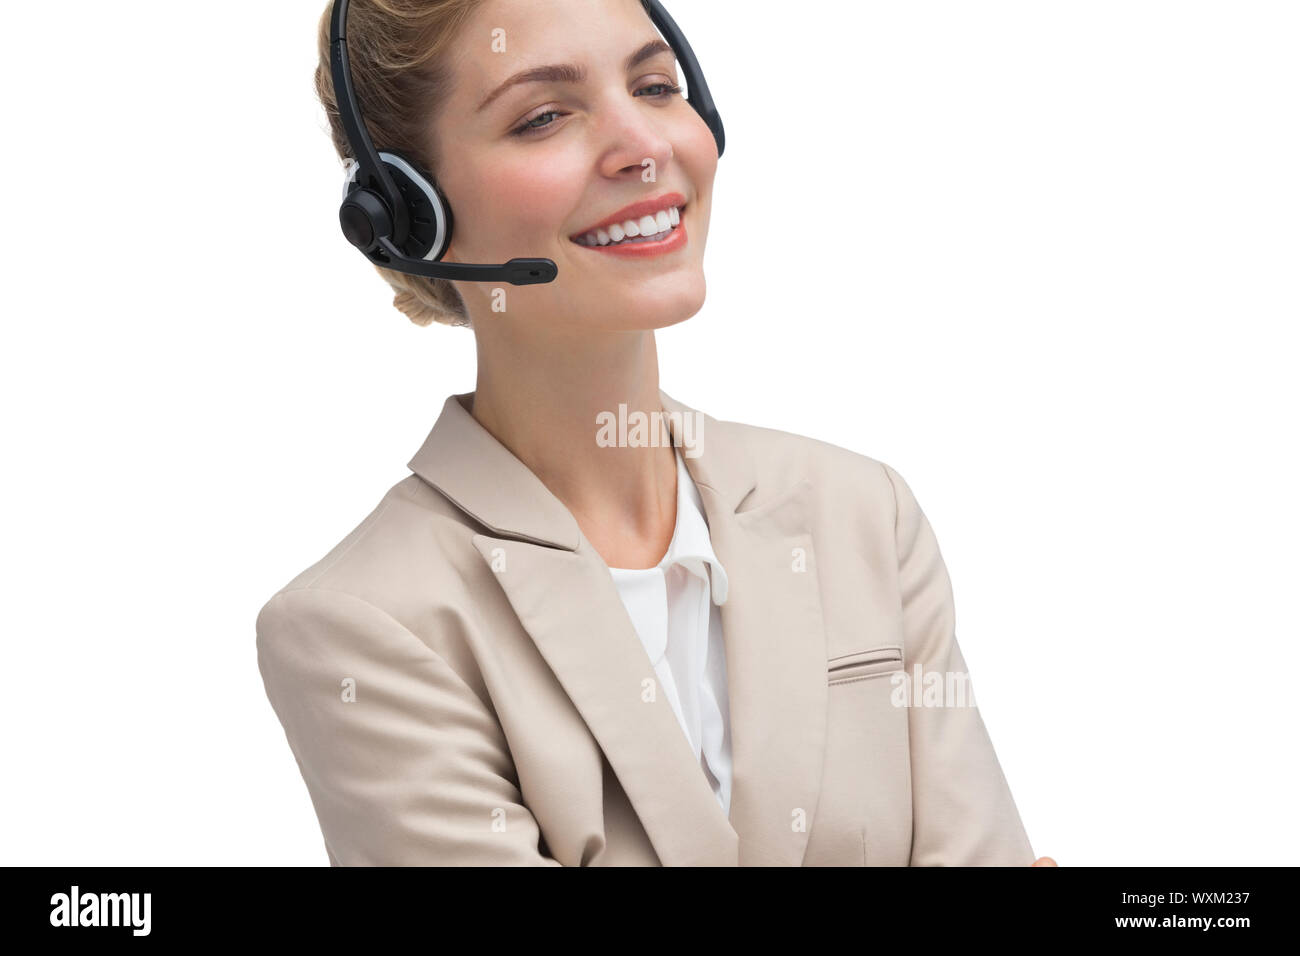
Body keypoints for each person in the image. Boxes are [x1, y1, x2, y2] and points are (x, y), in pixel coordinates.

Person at [256, 0, 1053, 867]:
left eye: (656, 85)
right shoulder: (362, 625)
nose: (645, 146)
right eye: (545, 116)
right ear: (411, 212)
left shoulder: (865, 516)